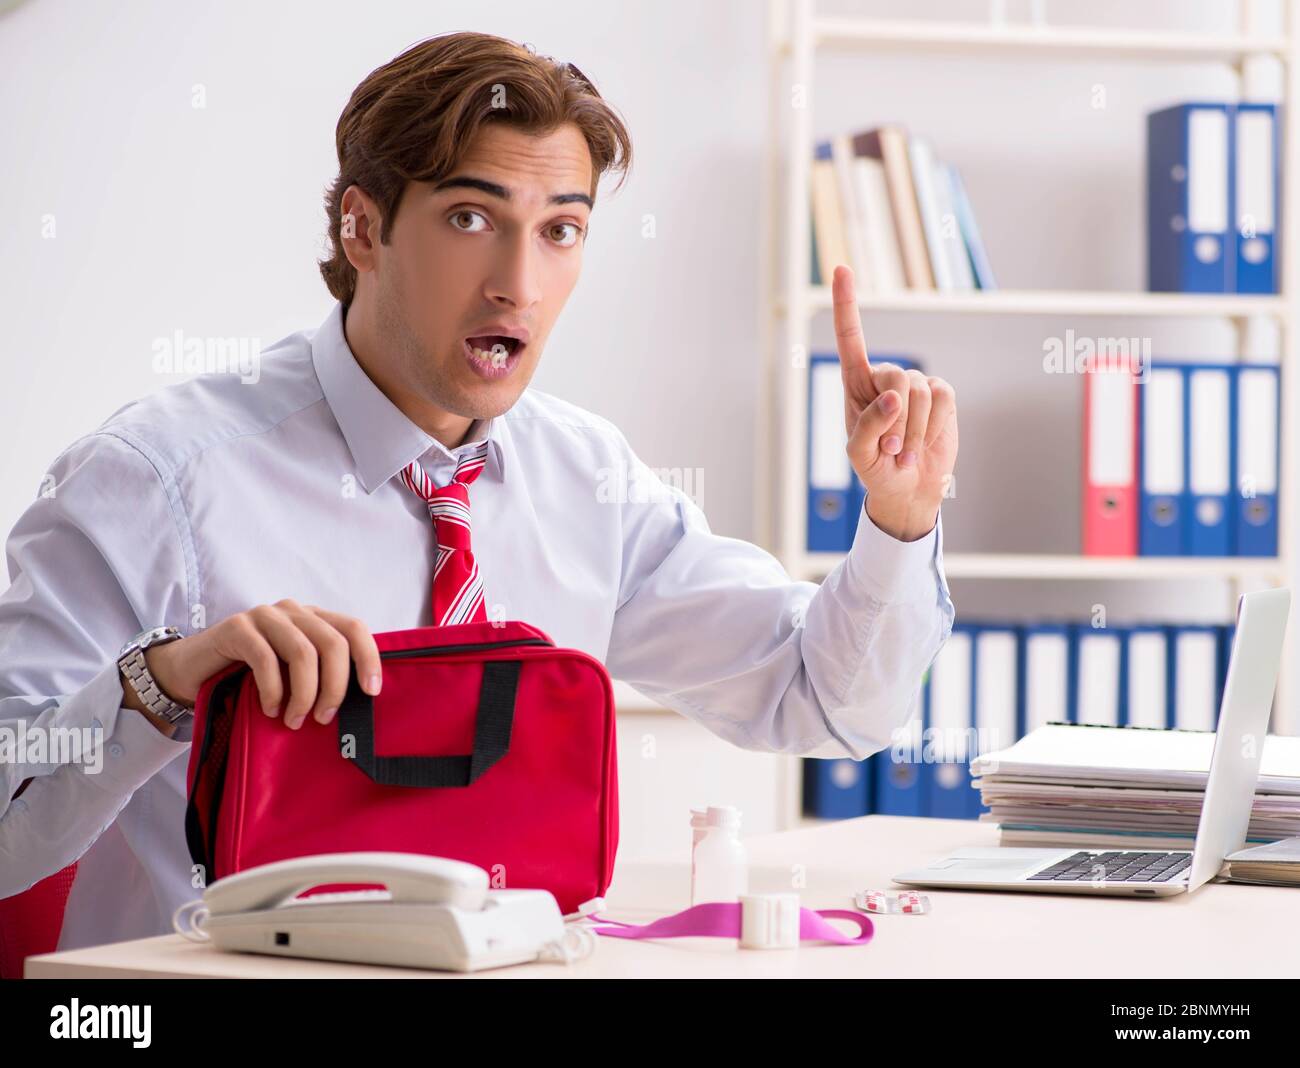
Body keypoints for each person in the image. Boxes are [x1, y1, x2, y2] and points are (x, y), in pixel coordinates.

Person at [0, 31, 956, 952]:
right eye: (470, 218)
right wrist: (162, 684)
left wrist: (899, 519)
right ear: (362, 228)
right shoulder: (154, 478)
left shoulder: (588, 481)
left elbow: (826, 703)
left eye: (560, 231)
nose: (518, 284)